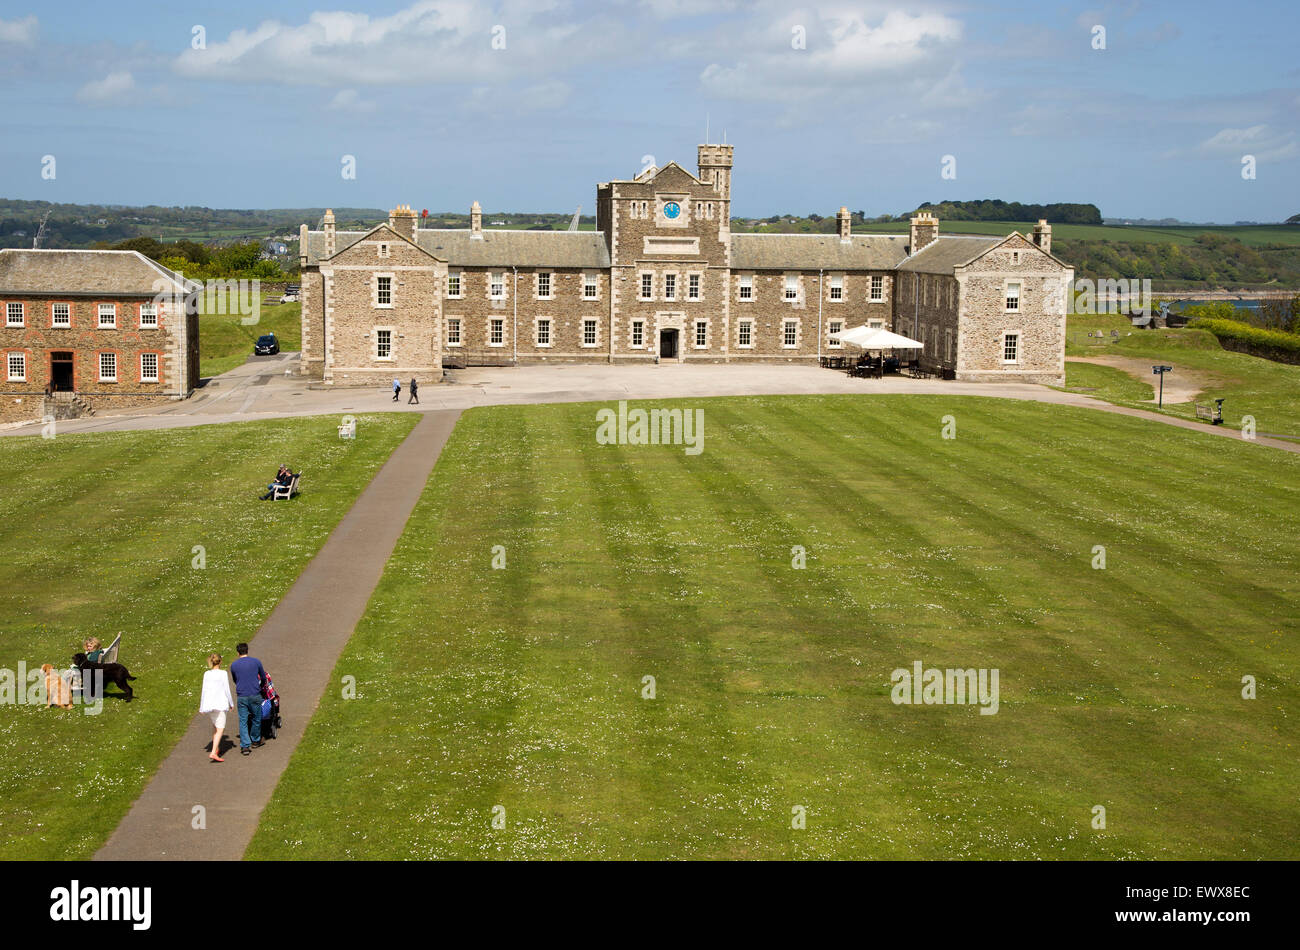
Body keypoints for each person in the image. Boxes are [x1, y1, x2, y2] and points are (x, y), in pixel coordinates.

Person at [229, 642, 267, 755]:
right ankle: (255, 740)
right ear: (247, 650)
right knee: (256, 717)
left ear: (238, 652)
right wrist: (260, 687)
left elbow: (235, 679)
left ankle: (245, 746)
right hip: (255, 693)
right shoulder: (256, 662)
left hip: (242, 695)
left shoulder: (234, 665)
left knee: (243, 720)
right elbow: (263, 677)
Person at [199, 653, 235, 763]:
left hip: (210, 705)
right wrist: (231, 703)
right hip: (220, 704)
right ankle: (214, 752)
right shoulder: (223, 674)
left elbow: (204, 690)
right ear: (220, 662)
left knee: (215, 726)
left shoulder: (207, 674)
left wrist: (202, 706)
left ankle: (216, 747)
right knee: (220, 729)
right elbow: (227, 690)